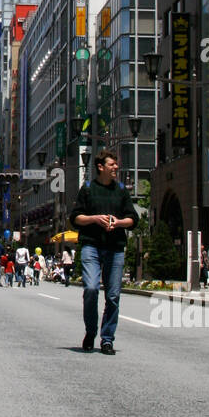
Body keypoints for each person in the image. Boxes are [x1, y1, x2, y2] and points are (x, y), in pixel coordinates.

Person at [71, 150, 137, 355]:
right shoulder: (88, 189)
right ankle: (90, 332)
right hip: (91, 245)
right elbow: (75, 218)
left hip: (115, 246)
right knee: (91, 288)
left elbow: (133, 218)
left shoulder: (121, 190)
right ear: (101, 167)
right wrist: (95, 218)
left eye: (116, 164)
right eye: (112, 164)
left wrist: (118, 223)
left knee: (113, 295)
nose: (115, 167)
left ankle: (107, 339)